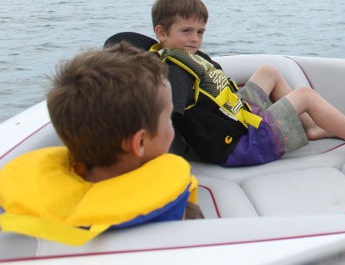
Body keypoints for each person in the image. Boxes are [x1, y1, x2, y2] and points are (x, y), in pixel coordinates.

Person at [149, 0, 345, 166]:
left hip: (236, 119)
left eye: (200, 31)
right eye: (186, 31)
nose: (195, 38)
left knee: (269, 71)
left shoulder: (189, 56)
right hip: (239, 147)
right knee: (305, 96)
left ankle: (312, 128)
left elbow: (214, 91)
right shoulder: (174, 72)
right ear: (161, 32)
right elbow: (169, 117)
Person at [0, 43, 202, 246]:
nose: (171, 124)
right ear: (140, 142)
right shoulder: (182, 212)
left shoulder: (31, 227)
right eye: (168, 119)